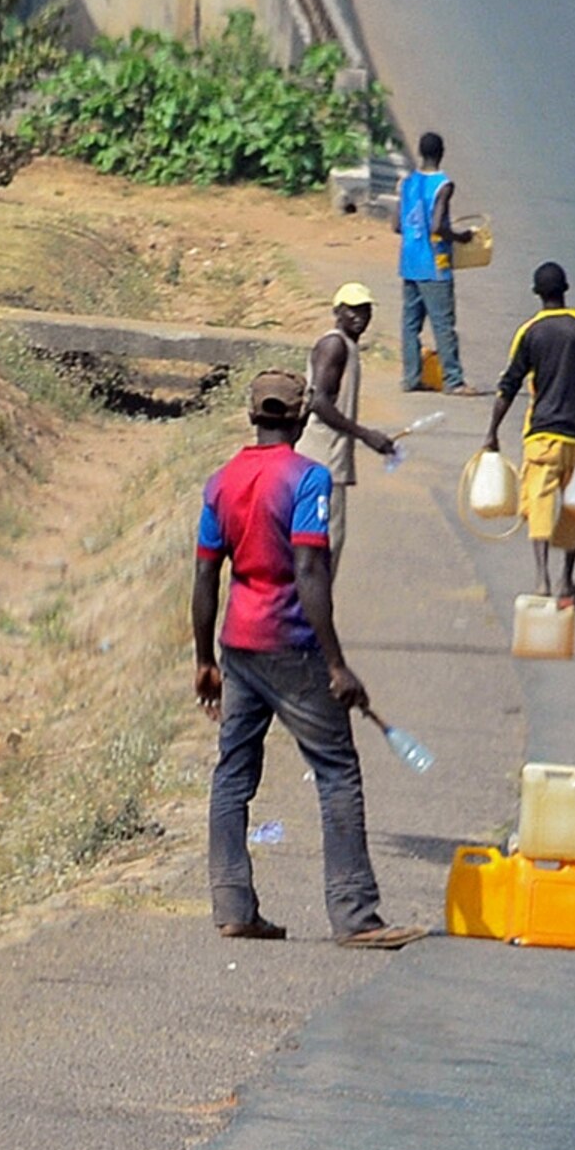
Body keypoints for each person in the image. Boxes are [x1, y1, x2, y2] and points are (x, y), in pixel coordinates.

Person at [192, 371, 424, 950]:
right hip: (291, 645)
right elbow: (310, 569)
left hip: (238, 646)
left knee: (233, 775)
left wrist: (204, 659)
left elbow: (204, 575)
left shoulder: (220, 483)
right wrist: (337, 664)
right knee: (337, 772)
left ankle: (232, 905)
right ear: (300, 420)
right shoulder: (307, 478)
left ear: (253, 417)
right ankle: (355, 915)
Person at [483, 261, 575, 611]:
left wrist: (491, 433)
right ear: (565, 290)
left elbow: (508, 385)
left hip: (542, 436)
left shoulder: (530, 332)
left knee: (538, 504)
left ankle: (541, 578)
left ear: (537, 294)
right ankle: (566, 579)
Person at [300, 282, 399, 571]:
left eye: (365, 310)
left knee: (322, 546)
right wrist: (364, 434)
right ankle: (313, 613)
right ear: (337, 311)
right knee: (326, 546)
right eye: (352, 310)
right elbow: (319, 402)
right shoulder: (334, 345)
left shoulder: (348, 346)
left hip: (329, 460)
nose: (360, 316)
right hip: (322, 460)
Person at [397, 130, 474, 394]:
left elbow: (397, 224)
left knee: (410, 324)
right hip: (434, 263)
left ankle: (411, 377)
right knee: (443, 323)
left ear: (420, 152)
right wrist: (461, 237)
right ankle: (453, 380)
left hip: (409, 261)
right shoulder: (443, 184)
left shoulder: (407, 183)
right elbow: (438, 224)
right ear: (441, 153)